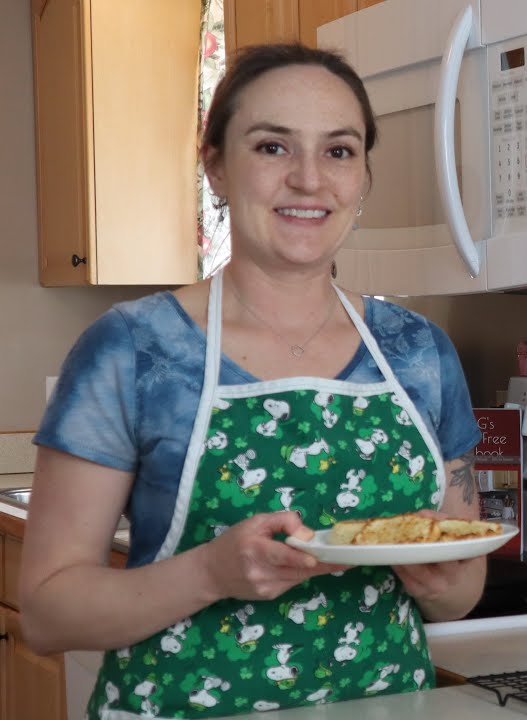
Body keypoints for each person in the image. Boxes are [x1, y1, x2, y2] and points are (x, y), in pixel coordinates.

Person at [20, 43, 485, 717]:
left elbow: (464, 582)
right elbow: (46, 612)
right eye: (272, 147)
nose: (308, 179)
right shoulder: (134, 350)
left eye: (339, 150)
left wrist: (436, 583)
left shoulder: (418, 352)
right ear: (215, 165)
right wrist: (209, 573)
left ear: (363, 176)